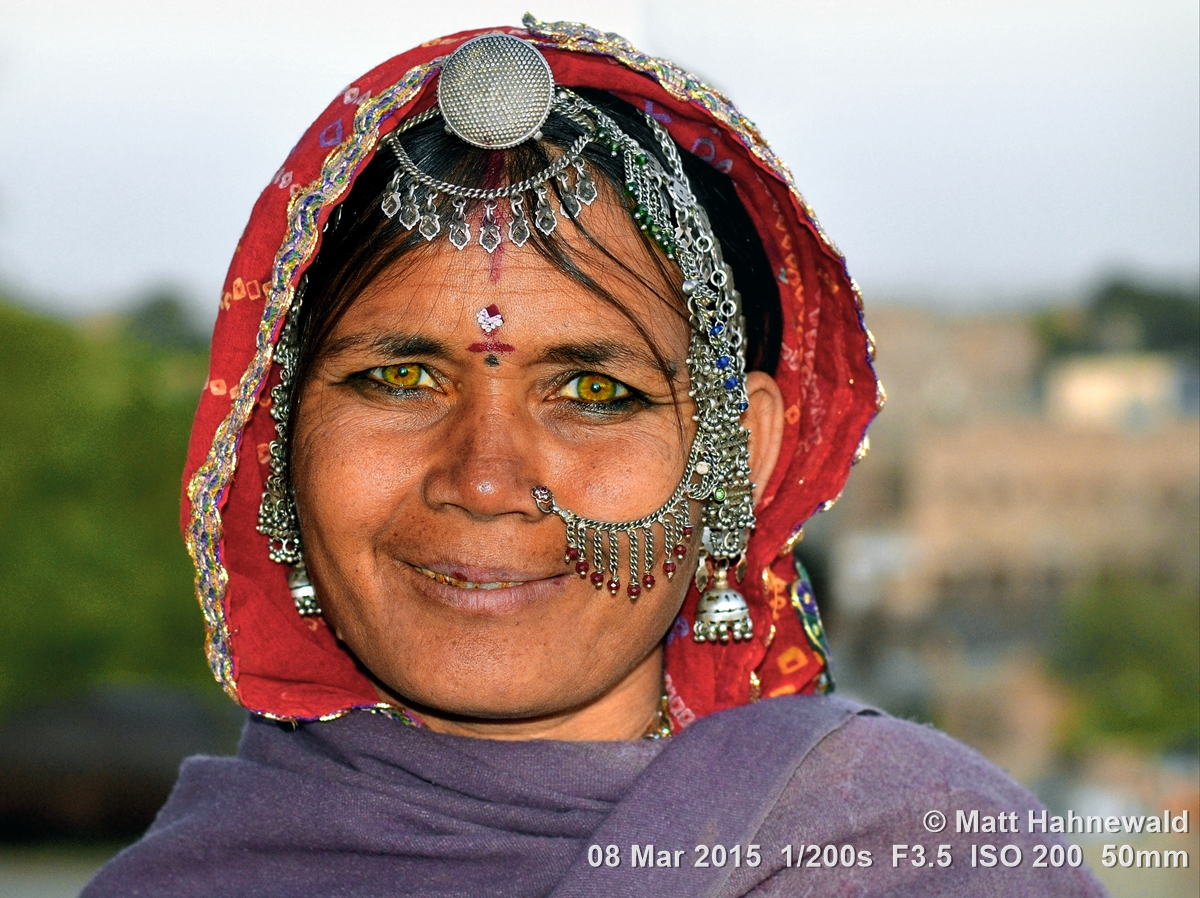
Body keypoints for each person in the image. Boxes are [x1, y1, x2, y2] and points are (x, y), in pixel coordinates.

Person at [82, 17, 1107, 897]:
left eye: (593, 392)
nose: (483, 479)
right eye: (399, 379)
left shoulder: (920, 862)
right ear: (276, 434)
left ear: (735, 455)